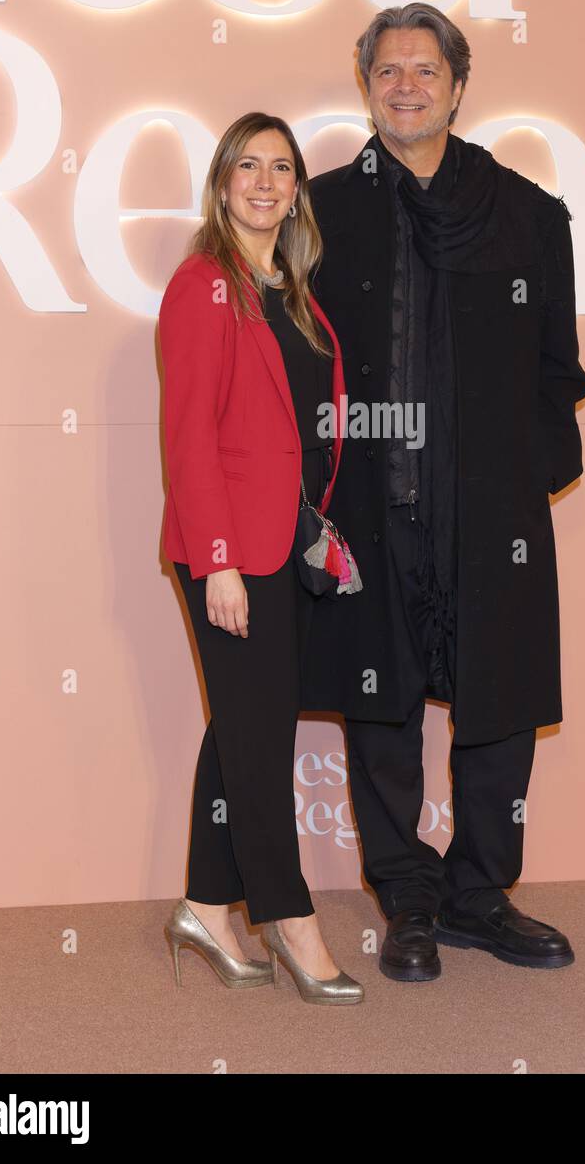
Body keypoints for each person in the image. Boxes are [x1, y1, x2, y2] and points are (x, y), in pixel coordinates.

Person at [304, 3, 585, 981]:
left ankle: (480, 896)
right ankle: (409, 900)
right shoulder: (322, 210)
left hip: (491, 519)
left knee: (500, 709)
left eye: (426, 69)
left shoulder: (527, 210)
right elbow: (298, 364)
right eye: (388, 70)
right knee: (381, 711)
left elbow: (561, 373)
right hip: (372, 513)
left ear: (459, 86)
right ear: (367, 87)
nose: (407, 85)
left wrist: (520, 483)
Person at [159, 112, 363, 1006]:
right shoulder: (204, 285)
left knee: (243, 724)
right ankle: (288, 917)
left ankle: (206, 905)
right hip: (230, 550)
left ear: (296, 190)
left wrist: (311, 524)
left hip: (283, 541)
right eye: (249, 165)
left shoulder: (291, 291)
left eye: (282, 167)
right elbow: (188, 438)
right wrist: (219, 561)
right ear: (222, 181)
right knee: (259, 731)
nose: (266, 181)